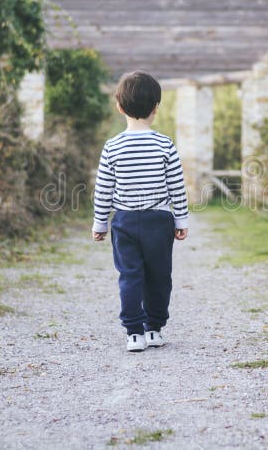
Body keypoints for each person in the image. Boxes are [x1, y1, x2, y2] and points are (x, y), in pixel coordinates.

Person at [91, 70, 189, 352]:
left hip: (124, 222)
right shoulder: (164, 145)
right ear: (156, 108)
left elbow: (104, 190)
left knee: (130, 275)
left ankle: (134, 333)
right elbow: (177, 188)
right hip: (159, 221)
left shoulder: (112, 147)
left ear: (119, 107)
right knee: (159, 276)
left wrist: (100, 223)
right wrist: (181, 219)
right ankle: (155, 328)